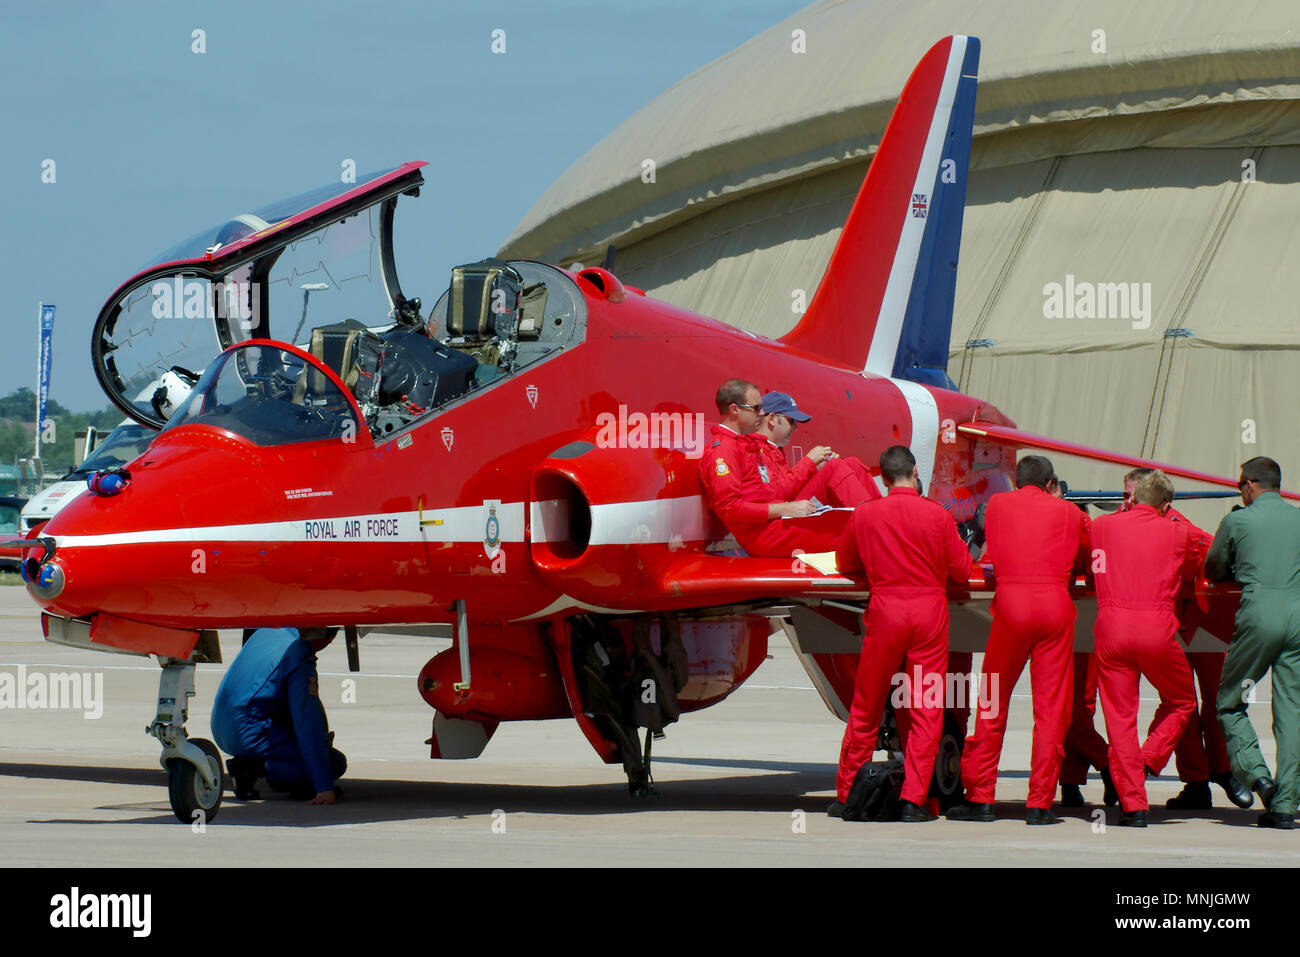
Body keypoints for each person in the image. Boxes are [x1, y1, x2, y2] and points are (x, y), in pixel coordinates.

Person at [831, 445, 972, 822]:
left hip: (885, 610)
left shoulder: (865, 514)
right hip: (928, 613)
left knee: (866, 705)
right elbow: (962, 570)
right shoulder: (938, 515)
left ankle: (848, 794)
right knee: (924, 708)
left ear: (884, 478)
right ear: (913, 471)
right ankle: (914, 799)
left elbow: (845, 562)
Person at [948, 455, 1090, 825]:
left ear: (1015, 481)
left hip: (1011, 608)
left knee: (992, 699)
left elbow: (991, 548)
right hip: (1055, 609)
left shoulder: (997, 504)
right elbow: (1086, 558)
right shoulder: (1070, 514)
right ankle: (1039, 803)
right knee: (1051, 709)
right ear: (1049, 484)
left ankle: (981, 797)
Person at [1121, 468, 1252, 811]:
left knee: (1216, 699)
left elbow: (1218, 557)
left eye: (1132, 495)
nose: (1128, 503)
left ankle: (1223, 771)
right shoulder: (1129, 527)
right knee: (1182, 706)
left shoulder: (1181, 530)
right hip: (1167, 628)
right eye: (1124, 497)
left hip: (1202, 625)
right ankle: (1196, 782)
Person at [1090, 470, 1200, 826]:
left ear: (1134, 497)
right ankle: (1149, 758)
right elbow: (1208, 555)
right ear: (1166, 505)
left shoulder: (1103, 526)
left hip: (1110, 629)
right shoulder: (1176, 532)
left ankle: (1133, 804)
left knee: (1120, 719)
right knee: (1182, 700)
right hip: (1155, 629)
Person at [1206, 456, 1300, 829]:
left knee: (1230, 701)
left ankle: (1257, 776)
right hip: (1297, 615)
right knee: (1292, 710)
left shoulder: (1237, 520)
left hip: (1259, 615)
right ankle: (1286, 803)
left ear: (1249, 484)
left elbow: (1213, 568)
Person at [697, 379, 847, 556]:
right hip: (764, 533)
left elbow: (765, 492)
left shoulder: (743, 444)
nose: (761, 413)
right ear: (734, 410)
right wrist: (786, 508)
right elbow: (730, 508)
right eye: (755, 408)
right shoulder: (722, 451)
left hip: (773, 523)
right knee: (854, 531)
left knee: (856, 524)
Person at [212, 626, 347, 805]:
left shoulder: (268, 630)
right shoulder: (298, 655)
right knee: (335, 762)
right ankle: (257, 769)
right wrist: (324, 786)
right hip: (248, 733)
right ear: (328, 637)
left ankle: (249, 766)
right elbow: (307, 723)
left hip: (221, 728)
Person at [741, 392, 879, 508]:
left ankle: (881, 513)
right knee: (834, 467)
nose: (796, 427)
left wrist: (817, 469)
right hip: (781, 518)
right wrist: (808, 463)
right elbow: (771, 495)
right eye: (792, 421)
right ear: (772, 419)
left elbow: (789, 487)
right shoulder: (753, 450)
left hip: (791, 507)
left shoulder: (775, 450)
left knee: (852, 463)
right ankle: (870, 522)